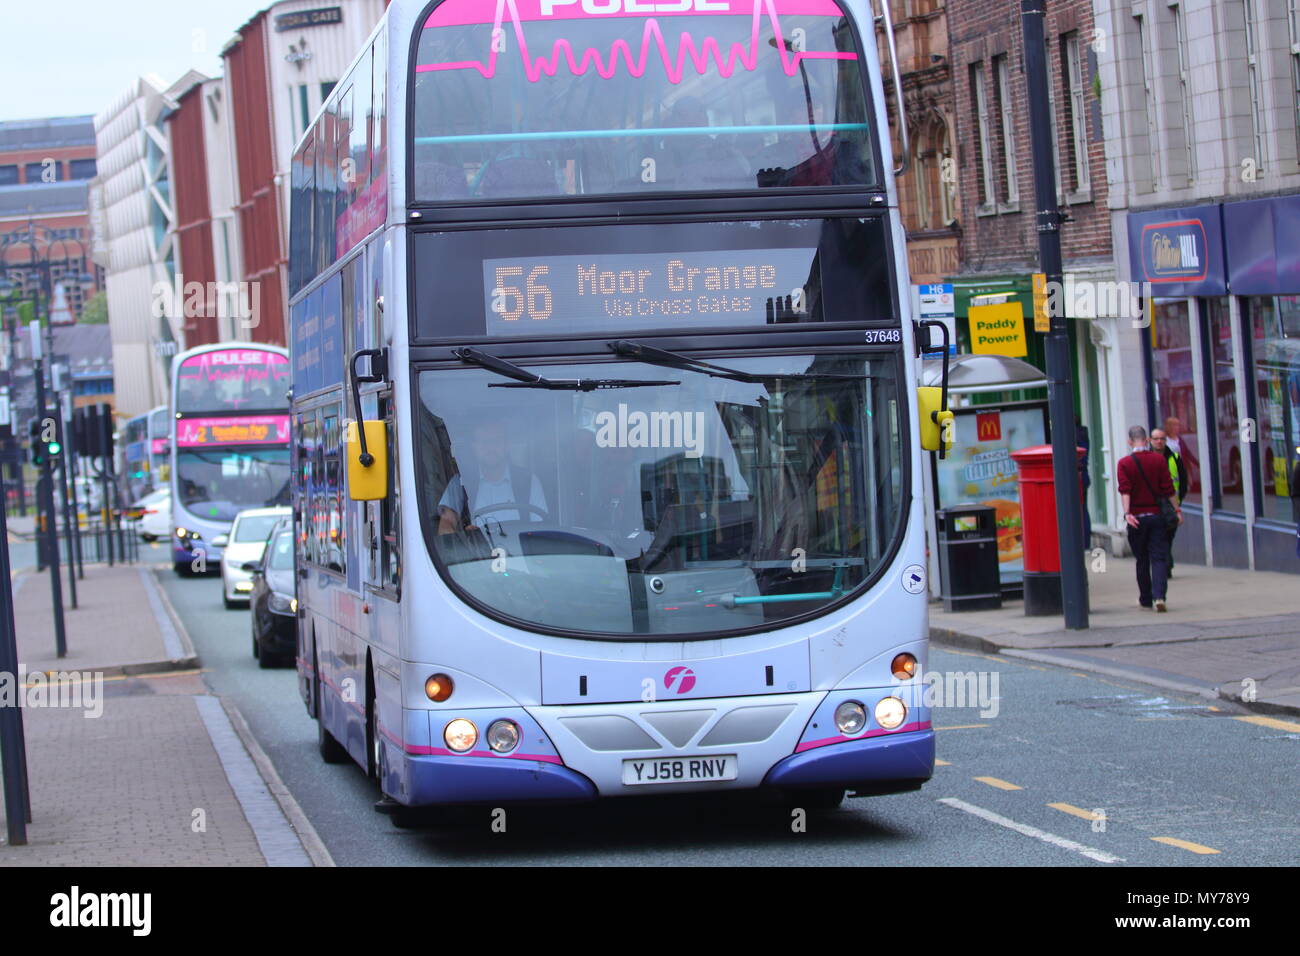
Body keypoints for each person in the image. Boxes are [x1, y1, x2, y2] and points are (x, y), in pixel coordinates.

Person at [436, 418, 547, 535]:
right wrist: (462, 538)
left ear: (507, 445)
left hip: (521, 552)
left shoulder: (529, 481)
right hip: (474, 553)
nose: (490, 448)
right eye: (484, 442)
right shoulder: (459, 483)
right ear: (474, 446)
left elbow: (539, 529)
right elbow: (445, 525)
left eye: (496, 441)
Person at [1117, 425, 1180, 611]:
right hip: (1156, 516)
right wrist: (1177, 511)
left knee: (1142, 559)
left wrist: (1128, 513)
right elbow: (1169, 489)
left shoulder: (1124, 464)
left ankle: (1145, 598)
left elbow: (1125, 490)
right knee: (1159, 558)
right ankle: (1159, 597)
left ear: (1130, 442)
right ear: (1146, 441)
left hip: (1137, 518)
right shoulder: (1158, 461)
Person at [1150, 427, 1188, 576]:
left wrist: (1179, 502)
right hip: (1154, 504)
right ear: (1150, 441)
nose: (1159, 442)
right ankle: (1165, 565)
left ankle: (1165, 563)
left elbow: (1183, 481)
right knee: (1158, 537)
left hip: (1172, 504)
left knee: (1168, 536)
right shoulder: (1145, 458)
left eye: (1162, 439)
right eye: (1156, 439)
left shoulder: (1175, 458)